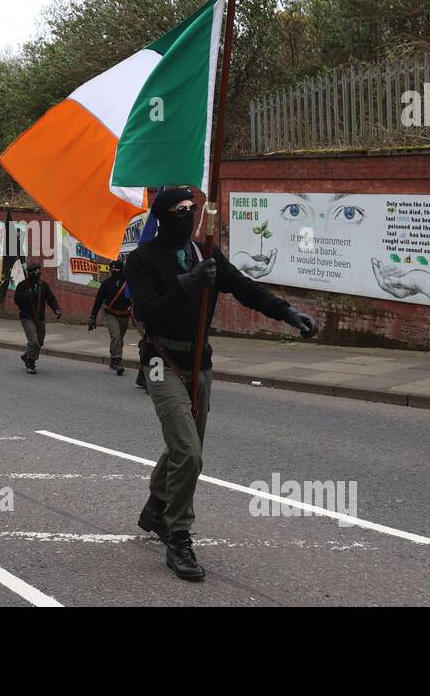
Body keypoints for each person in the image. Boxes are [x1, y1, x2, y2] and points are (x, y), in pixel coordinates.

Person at [126, 187, 319, 581]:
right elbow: (149, 314)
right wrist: (187, 282)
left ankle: (154, 507)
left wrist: (287, 312)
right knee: (189, 453)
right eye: (180, 209)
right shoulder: (143, 260)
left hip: (200, 362)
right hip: (162, 362)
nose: (189, 213)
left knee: (184, 448)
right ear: (163, 215)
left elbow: (245, 288)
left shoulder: (206, 253)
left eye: (192, 208)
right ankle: (179, 539)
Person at [13, 261, 60, 375]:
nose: (37, 273)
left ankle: (27, 355)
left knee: (40, 342)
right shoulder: (22, 285)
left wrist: (56, 309)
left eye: (38, 271)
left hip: (40, 318)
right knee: (34, 341)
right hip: (27, 317)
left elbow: (50, 298)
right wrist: (25, 296)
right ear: (29, 273)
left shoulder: (43, 285)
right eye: (34, 271)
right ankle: (30, 363)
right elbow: (17, 300)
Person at [89, 259, 133, 376]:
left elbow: (135, 299)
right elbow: (98, 301)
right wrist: (92, 316)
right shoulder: (106, 284)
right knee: (116, 335)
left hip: (124, 315)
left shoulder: (128, 283)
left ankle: (114, 359)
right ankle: (117, 360)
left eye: (117, 269)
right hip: (110, 313)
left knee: (119, 338)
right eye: (112, 269)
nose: (114, 271)